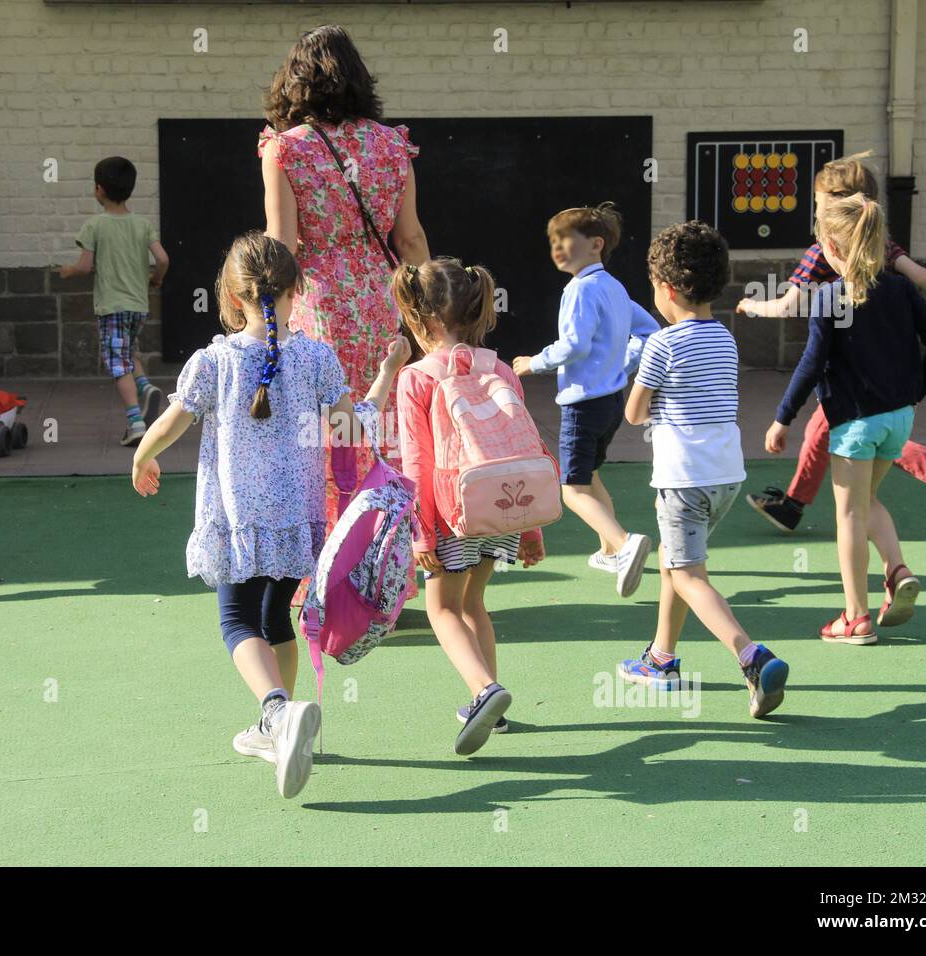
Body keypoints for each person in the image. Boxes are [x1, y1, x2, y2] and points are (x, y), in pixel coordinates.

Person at [130, 231, 409, 798]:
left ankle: (277, 711)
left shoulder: (215, 360)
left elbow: (173, 421)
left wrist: (143, 454)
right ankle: (279, 728)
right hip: (296, 519)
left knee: (235, 621)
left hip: (237, 517)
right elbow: (349, 428)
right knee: (275, 616)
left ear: (232, 299)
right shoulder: (316, 357)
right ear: (296, 292)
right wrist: (386, 376)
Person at [259, 24, 429, 595]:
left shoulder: (286, 149)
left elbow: (281, 246)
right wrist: (426, 313)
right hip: (384, 302)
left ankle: (328, 580)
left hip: (320, 307)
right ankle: (387, 575)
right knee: (385, 435)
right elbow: (409, 241)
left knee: (326, 441)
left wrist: (263, 319)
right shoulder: (392, 145)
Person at [737, 151, 926, 538]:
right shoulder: (881, 244)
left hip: (848, 372)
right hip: (884, 365)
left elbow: (788, 306)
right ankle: (793, 505)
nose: (816, 212)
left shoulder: (824, 250)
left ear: (837, 206)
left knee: (864, 433)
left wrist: (752, 305)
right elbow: (921, 277)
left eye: (818, 203)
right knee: (827, 430)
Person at [621, 222, 788, 719]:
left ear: (666, 290)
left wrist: (637, 366)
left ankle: (752, 656)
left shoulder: (662, 344)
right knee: (679, 566)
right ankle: (660, 659)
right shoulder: (724, 338)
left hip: (682, 480)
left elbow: (634, 413)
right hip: (726, 477)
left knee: (689, 574)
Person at [768, 194, 926, 644]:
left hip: (855, 423)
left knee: (848, 513)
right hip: (898, 420)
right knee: (867, 500)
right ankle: (897, 570)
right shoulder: (901, 287)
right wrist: (914, 395)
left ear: (830, 245)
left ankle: (856, 617)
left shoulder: (830, 296)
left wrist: (782, 418)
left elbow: (811, 364)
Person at [394, 257, 546, 755]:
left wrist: (421, 532)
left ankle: (484, 691)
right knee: (474, 602)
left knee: (441, 607)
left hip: (449, 512)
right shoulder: (500, 367)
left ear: (419, 317)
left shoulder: (417, 377)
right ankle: (491, 706)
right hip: (502, 502)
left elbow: (416, 462)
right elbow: (526, 446)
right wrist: (531, 527)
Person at [512, 203, 659, 597]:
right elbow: (650, 331)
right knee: (589, 476)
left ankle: (625, 544)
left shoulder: (580, 289)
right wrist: (620, 366)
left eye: (567, 241)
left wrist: (533, 363)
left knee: (572, 489)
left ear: (596, 244)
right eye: (553, 241)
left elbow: (574, 345)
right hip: (610, 401)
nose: (558, 249)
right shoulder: (613, 287)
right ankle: (610, 550)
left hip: (583, 405)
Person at [58, 156, 170, 446]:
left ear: (99, 190)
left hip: (111, 307)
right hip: (138, 306)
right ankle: (145, 387)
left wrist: (69, 271)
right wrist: (157, 279)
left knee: (117, 365)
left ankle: (135, 422)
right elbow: (163, 259)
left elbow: (84, 267)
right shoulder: (142, 224)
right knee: (130, 352)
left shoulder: (94, 226)